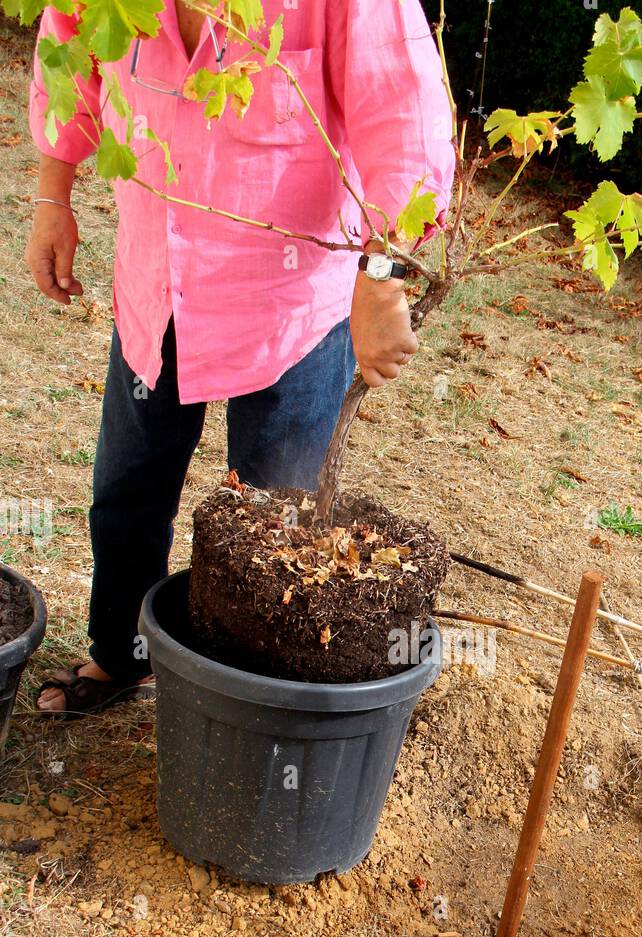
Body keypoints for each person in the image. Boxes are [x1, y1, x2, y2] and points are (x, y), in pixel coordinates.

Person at [26, 0, 454, 715]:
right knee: (127, 490)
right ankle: (122, 655)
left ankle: (246, 707)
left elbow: (403, 119)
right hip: (155, 283)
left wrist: (382, 281)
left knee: (275, 530)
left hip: (293, 308)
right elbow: (66, 54)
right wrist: (52, 196)